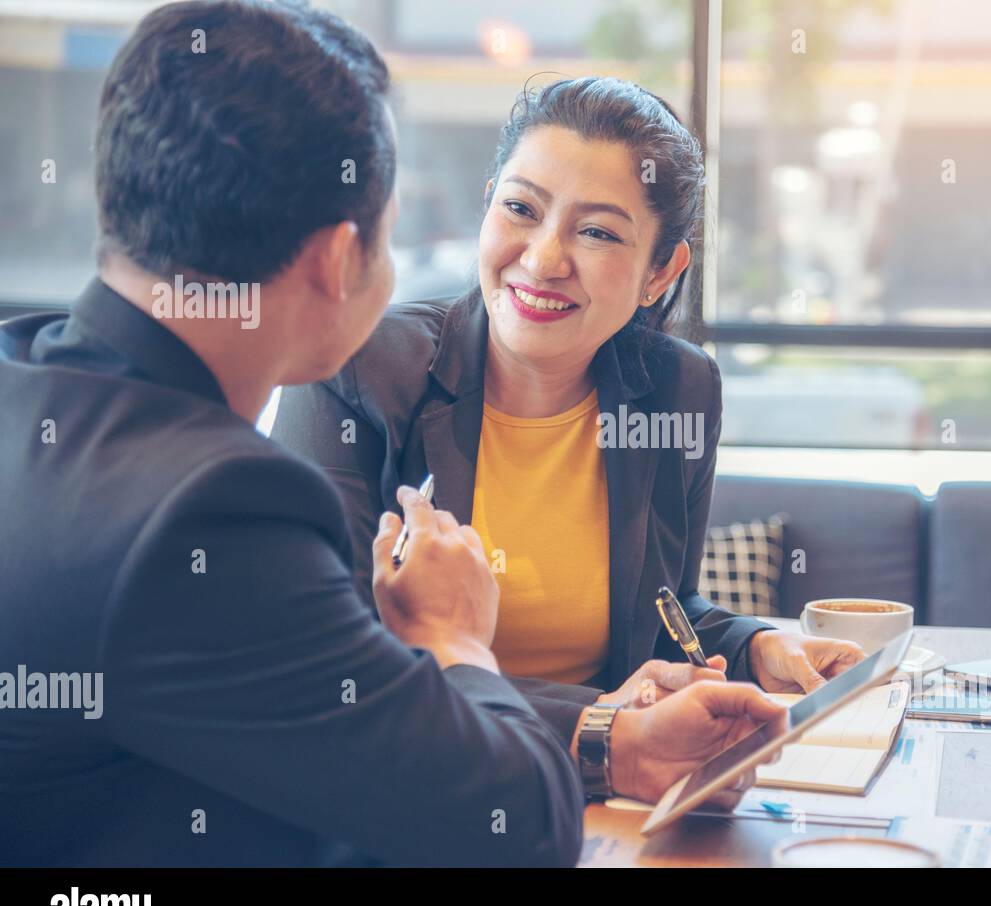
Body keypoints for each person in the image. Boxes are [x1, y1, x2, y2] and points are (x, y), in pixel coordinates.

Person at [0, 0, 782, 867]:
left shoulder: (23, 390)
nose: (543, 255)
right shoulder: (212, 509)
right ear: (342, 259)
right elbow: (514, 822)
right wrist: (454, 637)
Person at [273, 76, 866, 748]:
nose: (543, 258)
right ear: (486, 206)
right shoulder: (357, 370)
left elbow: (664, 609)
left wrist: (760, 645)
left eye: (596, 232)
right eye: (521, 208)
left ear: (661, 273)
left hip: (621, 791)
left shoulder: (679, 388)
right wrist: (600, 727)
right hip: (419, 783)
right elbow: (330, 664)